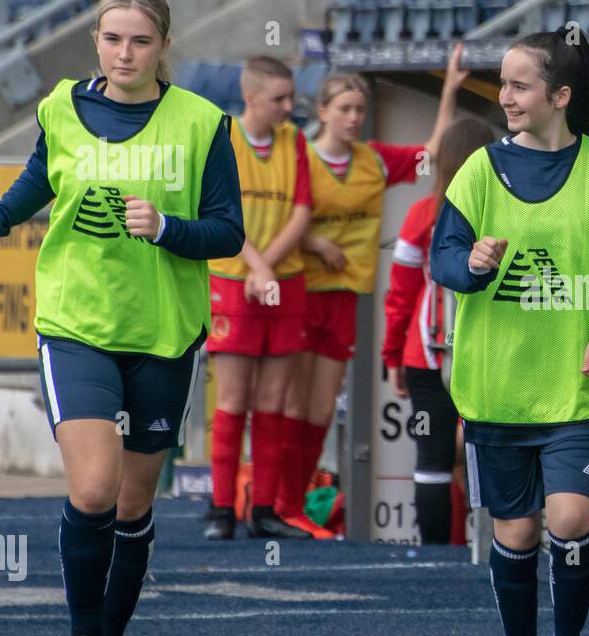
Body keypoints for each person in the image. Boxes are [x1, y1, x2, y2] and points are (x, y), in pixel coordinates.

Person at [0, 0, 244, 636]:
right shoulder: (62, 106)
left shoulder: (203, 123)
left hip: (164, 331)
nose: (125, 52)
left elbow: (229, 232)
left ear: (164, 47)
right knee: (93, 488)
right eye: (113, 39)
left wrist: (169, 229)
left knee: (134, 502)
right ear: (96, 40)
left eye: (140, 40)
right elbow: (38, 179)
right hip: (76, 322)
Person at [430, 29, 589, 636]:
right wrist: (475, 265)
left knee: (571, 516)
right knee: (517, 534)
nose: (506, 96)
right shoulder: (478, 171)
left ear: (560, 95)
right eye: (503, 83)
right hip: (498, 384)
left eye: (520, 85)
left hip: (575, 387)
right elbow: (444, 259)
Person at [274, 47, 469, 530]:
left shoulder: (373, 160)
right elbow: (269, 215)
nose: (355, 117)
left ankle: (293, 506)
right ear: (322, 112)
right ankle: (276, 505)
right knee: (291, 404)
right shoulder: (297, 154)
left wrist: (449, 90)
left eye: (360, 109)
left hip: (344, 297)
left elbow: (432, 155)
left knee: (320, 407)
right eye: (345, 108)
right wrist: (314, 239)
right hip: (299, 291)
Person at [203, 57, 312, 541]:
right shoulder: (222, 138)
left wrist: (268, 265)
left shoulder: (295, 143)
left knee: (273, 401)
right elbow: (215, 209)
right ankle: (222, 508)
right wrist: (255, 263)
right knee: (232, 399)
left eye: (291, 98)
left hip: (284, 282)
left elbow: (302, 212)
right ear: (250, 98)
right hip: (233, 279)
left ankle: (263, 509)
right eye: (279, 99)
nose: (289, 107)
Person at [383, 115, 496, 544]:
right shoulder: (504, 212)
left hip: (426, 353)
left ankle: (435, 558)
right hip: (489, 352)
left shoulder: (421, 214)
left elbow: (400, 295)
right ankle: (487, 548)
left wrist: (392, 355)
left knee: (431, 455)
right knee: (486, 451)